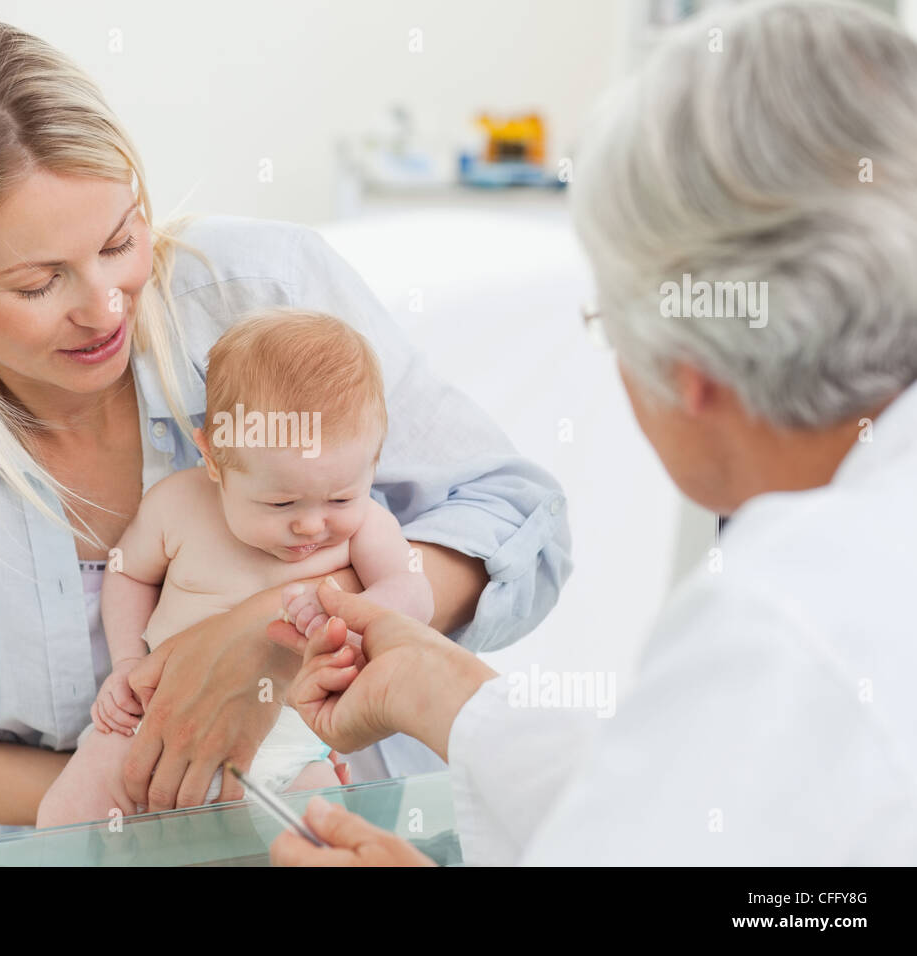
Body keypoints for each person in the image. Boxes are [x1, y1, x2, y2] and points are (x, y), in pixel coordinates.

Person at [0, 19, 572, 845]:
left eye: (120, 241)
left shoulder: (268, 296)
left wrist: (273, 633)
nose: (106, 307)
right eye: (38, 281)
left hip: (361, 832)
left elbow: (518, 520)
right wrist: (154, 771)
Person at [269, 0, 917, 866]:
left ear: (690, 369)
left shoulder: (786, 613)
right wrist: (445, 690)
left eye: (605, 320)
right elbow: (696, 815)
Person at [35, 310, 435, 827]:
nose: (312, 526)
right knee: (63, 818)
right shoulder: (177, 506)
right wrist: (126, 663)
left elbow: (411, 589)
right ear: (214, 460)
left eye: (340, 496)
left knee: (324, 840)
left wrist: (350, 613)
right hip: (152, 721)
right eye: (280, 504)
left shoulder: (365, 527)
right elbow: (128, 573)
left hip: (292, 739)